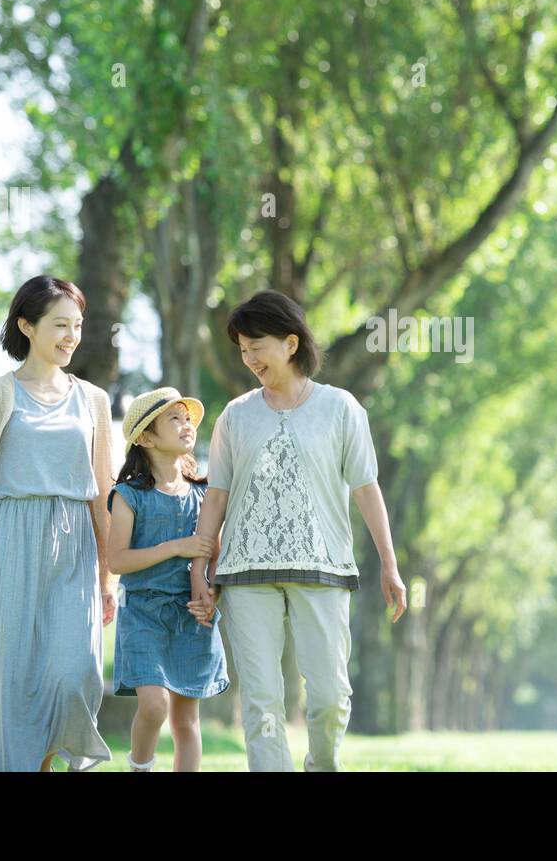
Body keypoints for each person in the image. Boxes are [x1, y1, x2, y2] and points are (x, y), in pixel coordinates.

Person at [187, 289, 407, 771]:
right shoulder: (235, 416)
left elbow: (366, 489)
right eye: (242, 350)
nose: (248, 359)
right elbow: (217, 497)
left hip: (324, 567)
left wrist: (389, 565)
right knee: (262, 704)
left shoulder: (341, 408)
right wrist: (199, 565)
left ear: (290, 343)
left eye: (256, 346)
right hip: (245, 571)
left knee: (329, 697)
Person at [0, 274, 115, 771]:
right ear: (27, 326)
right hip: (6, 540)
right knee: (10, 680)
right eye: (60, 324)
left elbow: (103, 490)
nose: (71, 336)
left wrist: (109, 577)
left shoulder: (94, 401)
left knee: (72, 674)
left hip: (75, 544)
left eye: (77, 326)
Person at [107, 388, 230, 772]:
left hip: (192, 617)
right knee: (154, 706)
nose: (186, 425)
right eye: (173, 420)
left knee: (186, 719)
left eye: (187, 418)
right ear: (146, 437)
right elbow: (117, 560)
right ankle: (139, 766)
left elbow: (215, 555)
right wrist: (177, 546)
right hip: (143, 614)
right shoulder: (128, 495)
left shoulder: (204, 492)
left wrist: (212, 594)